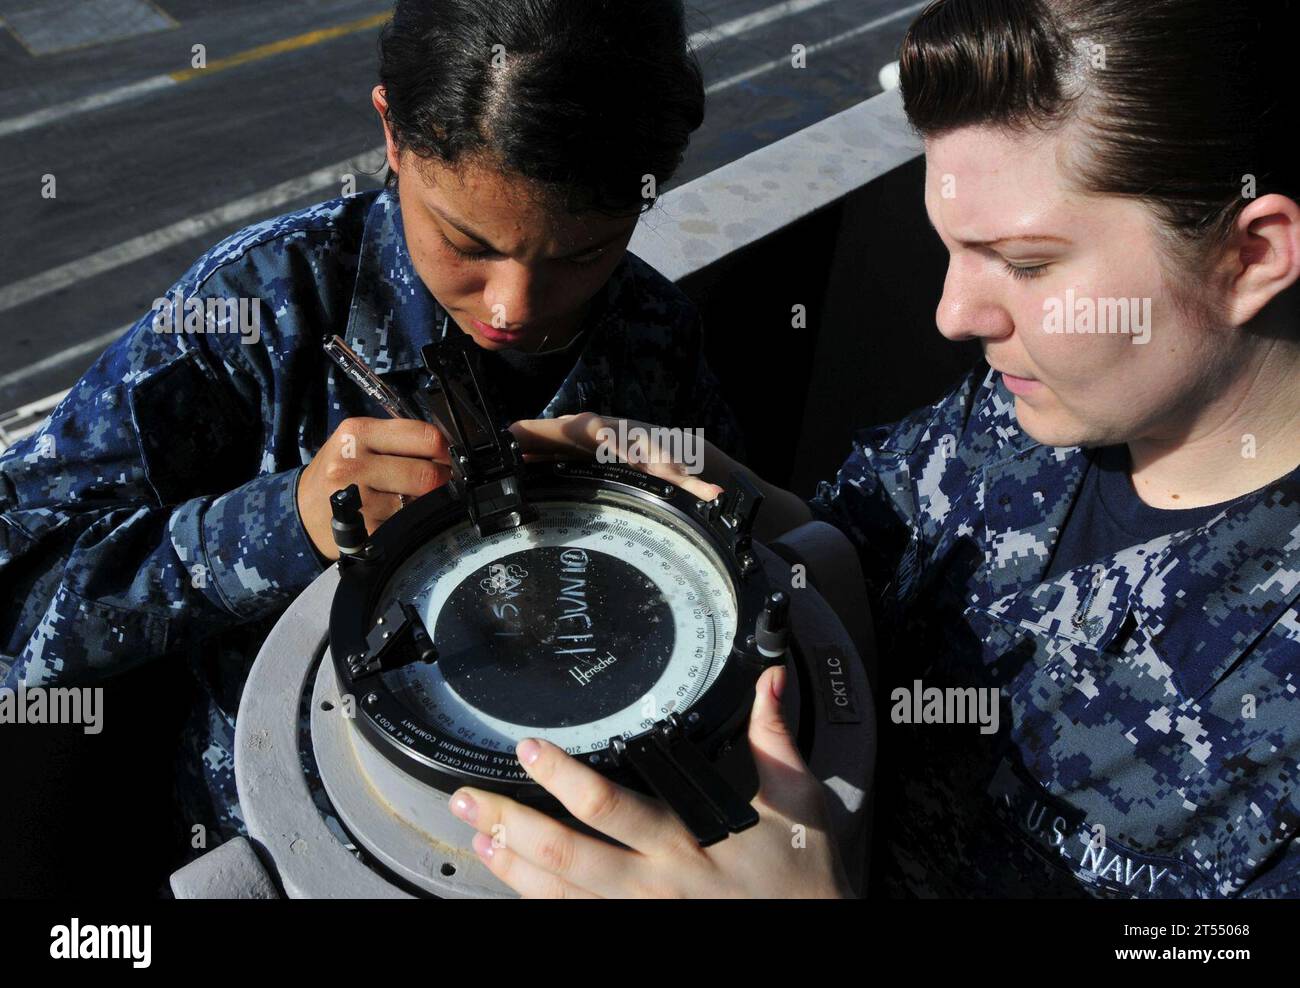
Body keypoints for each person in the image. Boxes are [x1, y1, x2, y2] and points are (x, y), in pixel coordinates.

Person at [462, 0, 1300, 898]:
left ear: (1250, 256)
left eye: (1022, 265)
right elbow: (854, 550)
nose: (955, 316)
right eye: (953, 252)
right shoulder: (1038, 405)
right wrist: (693, 478)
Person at [0, 0, 742, 861]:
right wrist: (283, 525)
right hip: (302, 850)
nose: (512, 309)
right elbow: (16, 592)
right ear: (392, 132)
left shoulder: (656, 329)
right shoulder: (257, 310)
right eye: (465, 241)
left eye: (583, 254)